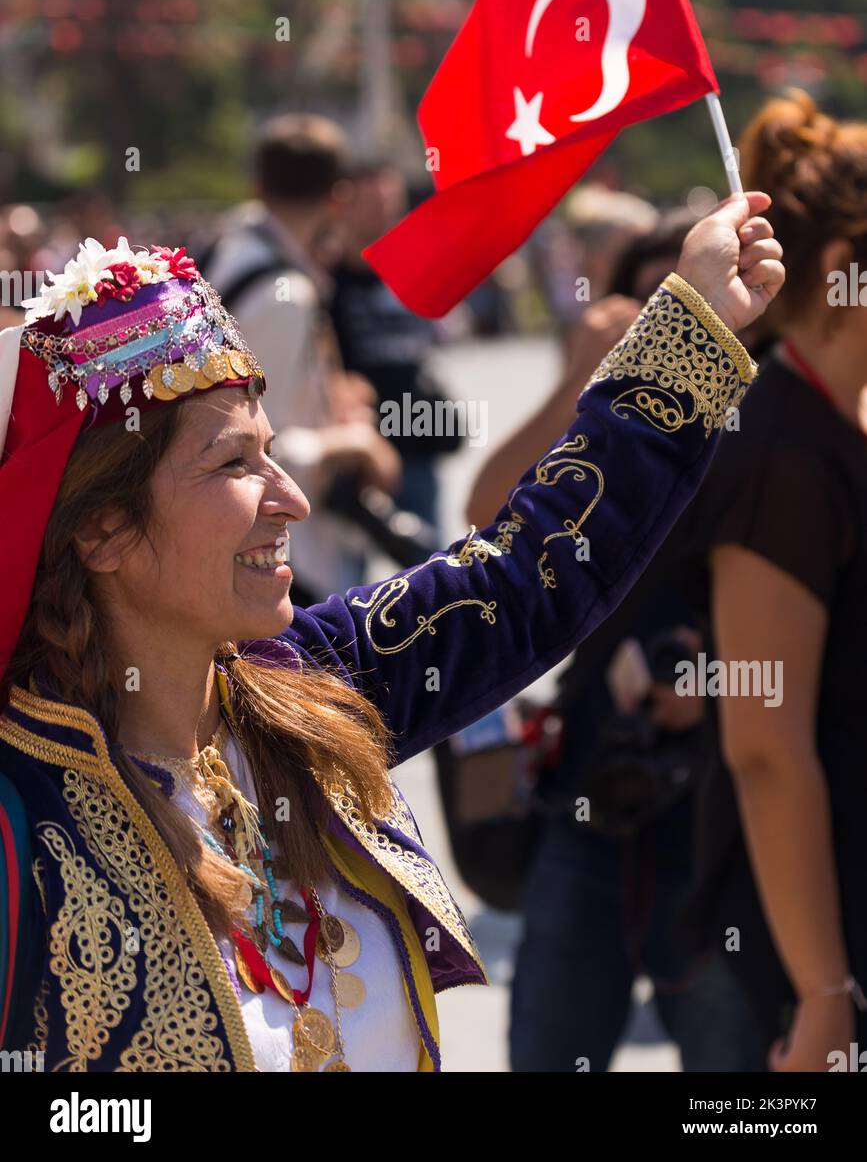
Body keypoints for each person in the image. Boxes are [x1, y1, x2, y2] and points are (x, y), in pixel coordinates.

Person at [0, 192, 781, 1072]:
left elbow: (526, 574)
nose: (289, 499)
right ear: (100, 530)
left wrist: (692, 325)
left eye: (271, 452)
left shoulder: (307, 685)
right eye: (232, 464)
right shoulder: (19, 813)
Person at [468, 216, 763, 1073]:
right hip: (592, 795)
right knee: (552, 1048)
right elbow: (484, 516)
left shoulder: (767, 417)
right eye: (656, 305)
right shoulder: (613, 424)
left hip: (725, 817)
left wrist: (719, 677)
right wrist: (583, 378)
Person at [680, 91, 867, 1073]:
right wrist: (826, 994)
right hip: (795, 953)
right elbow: (764, 745)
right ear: (844, 273)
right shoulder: (784, 453)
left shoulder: (832, 424)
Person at [202, 113, 401, 602]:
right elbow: (264, 449)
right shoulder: (283, 294)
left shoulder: (228, 249)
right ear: (339, 197)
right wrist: (351, 442)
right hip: (282, 555)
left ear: (258, 185)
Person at [328, 157, 461, 530]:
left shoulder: (412, 268)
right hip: (356, 445)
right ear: (345, 207)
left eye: (389, 204)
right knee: (353, 575)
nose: (382, 216)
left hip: (416, 435)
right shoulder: (327, 278)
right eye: (371, 205)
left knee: (430, 560)